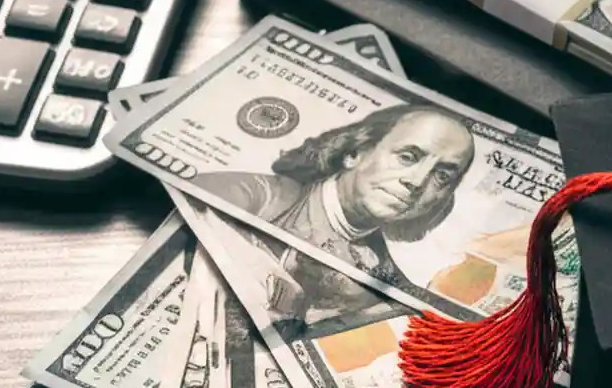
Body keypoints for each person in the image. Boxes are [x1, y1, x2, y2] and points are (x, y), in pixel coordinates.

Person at [196, 105, 475, 319]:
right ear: (356, 152)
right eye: (408, 157)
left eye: (441, 176)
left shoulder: (385, 287)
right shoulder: (254, 196)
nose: (416, 181)